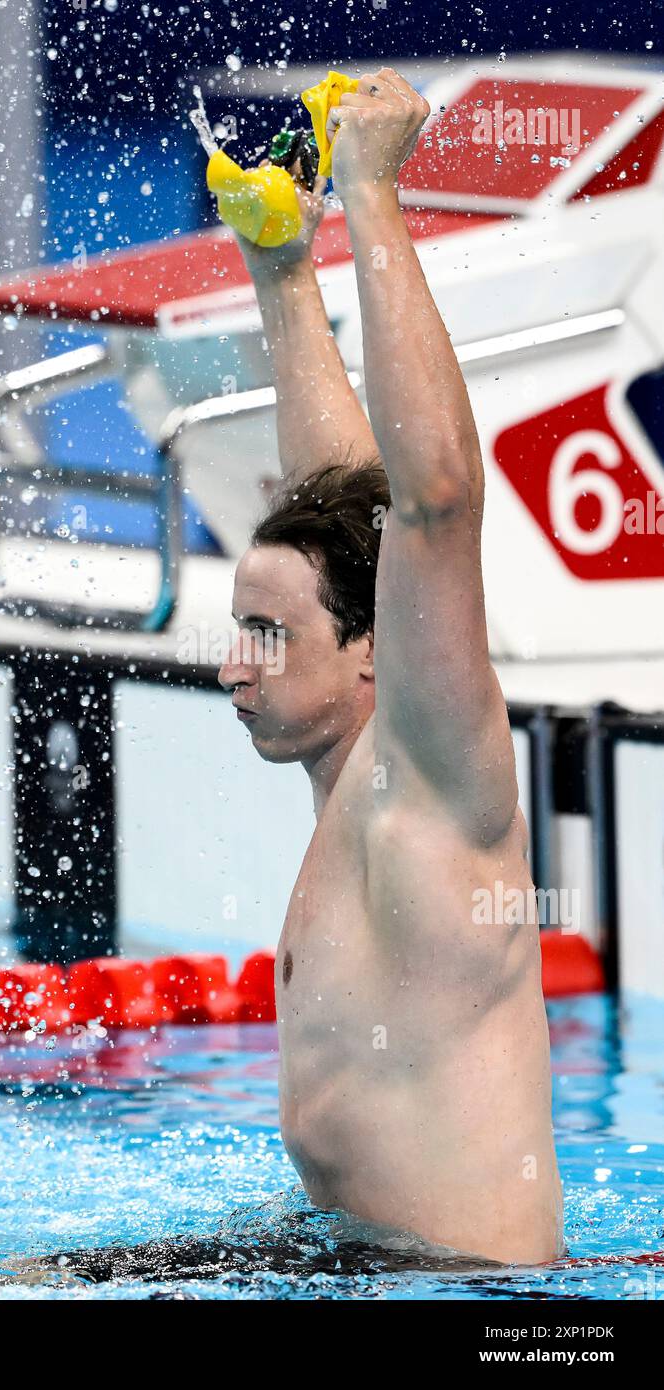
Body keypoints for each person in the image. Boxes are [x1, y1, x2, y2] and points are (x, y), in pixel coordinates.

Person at [216, 67, 564, 1265]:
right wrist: (279, 273)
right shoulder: (354, 778)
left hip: (476, 1310)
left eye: (268, 639)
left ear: (372, 655)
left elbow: (432, 501)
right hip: (345, 1263)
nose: (231, 671)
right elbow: (351, 510)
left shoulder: (430, 786)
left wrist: (370, 193)